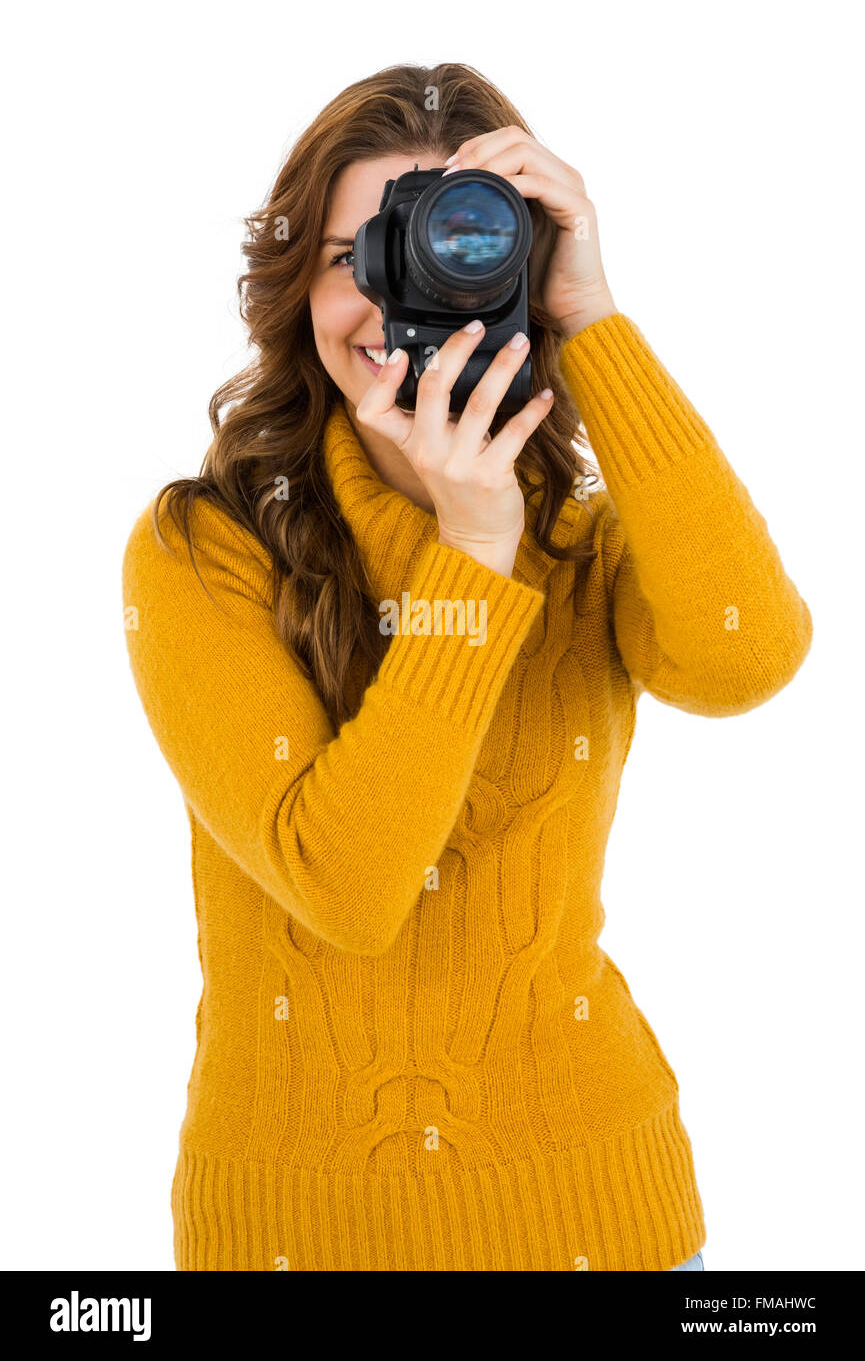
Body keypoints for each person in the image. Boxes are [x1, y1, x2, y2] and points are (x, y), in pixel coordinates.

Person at [122, 62, 812, 1272]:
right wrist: (469, 552)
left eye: (455, 248)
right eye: (352, 255)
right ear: (293, 287)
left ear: (521, 282)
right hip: (297, 1238)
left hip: (603, 1218)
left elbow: (744, 656)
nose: (394, 295)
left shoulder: (587, 542)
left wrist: (594, 320)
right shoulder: (204, 548)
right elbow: (346, 884)